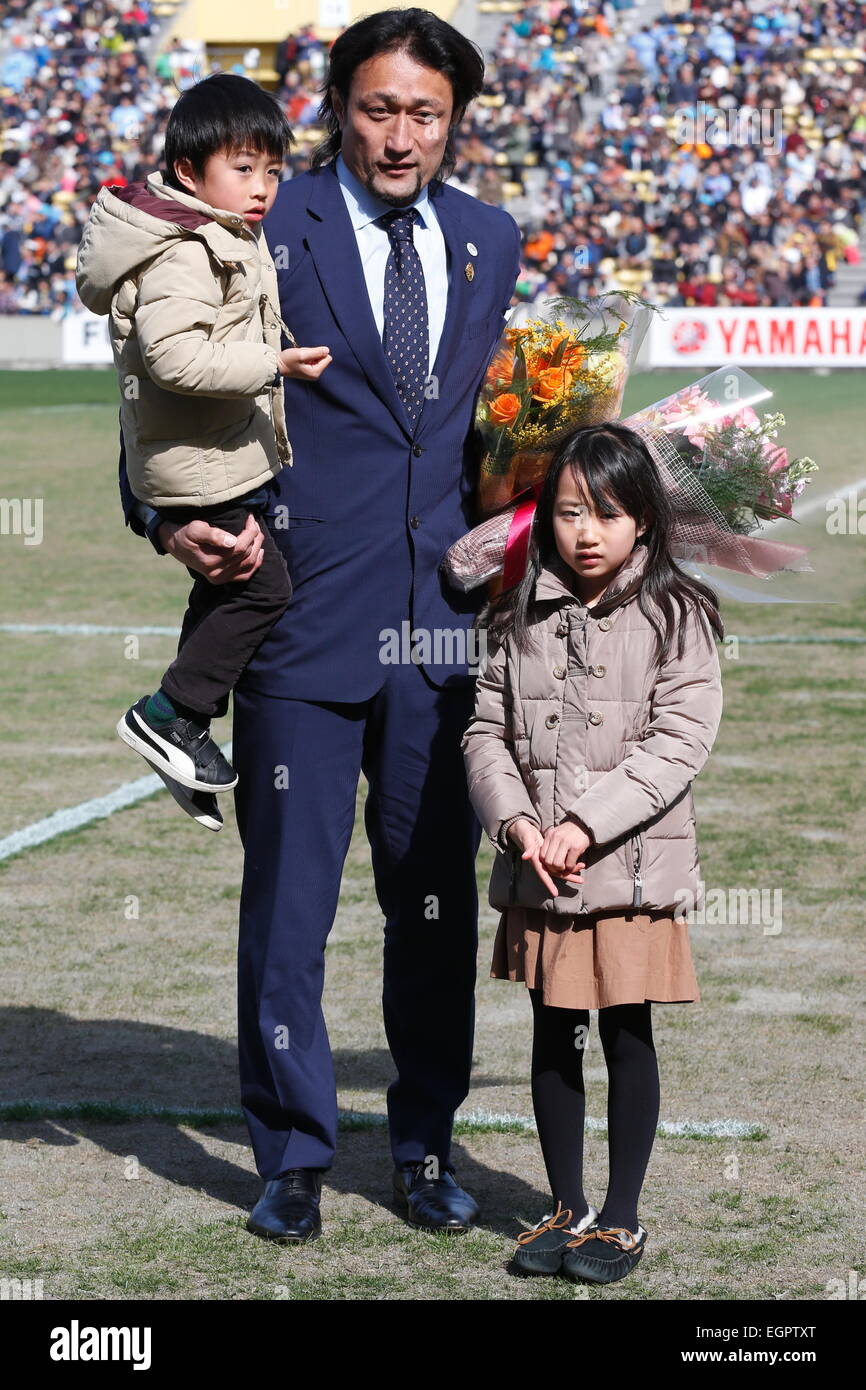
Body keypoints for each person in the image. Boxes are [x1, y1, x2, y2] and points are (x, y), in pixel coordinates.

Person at [118, 9, 522, 1240]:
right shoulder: (257, 221)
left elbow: (489, 426)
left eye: (427, 114)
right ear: (336, 106)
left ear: (455, 121)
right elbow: (151, 373)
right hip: (293, 614)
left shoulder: (487, 238)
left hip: (441, 629)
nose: (401, 137)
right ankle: (290, 1153)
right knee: (289, 908)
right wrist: (157, 512)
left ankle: (421, 1143)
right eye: (378, 108)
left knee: (432, 904)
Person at [461, 423, 724, 1285]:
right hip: (539, 867)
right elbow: (484, 734)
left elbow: (679, 742)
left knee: (627, 1034)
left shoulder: (677, 614)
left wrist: (584, 824)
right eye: (570, 511)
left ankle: (621, 1219)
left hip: (631, 872)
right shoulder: (515, 610)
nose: (586, 532)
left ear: (644, 521)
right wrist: (518, 826)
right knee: (551, 1032)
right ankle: (565, 1206)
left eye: (607, 514)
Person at [75, 73, 332, 822]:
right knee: (262, 586)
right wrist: (273, 365)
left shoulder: (214, 233)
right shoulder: (186, 250)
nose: (262, 188)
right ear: (190, 173)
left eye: (273, 172)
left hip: (204, 453)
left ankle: (182, 730)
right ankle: (168, 714)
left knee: (224, 587)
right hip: (198, 460)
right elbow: (175, 361)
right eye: (243, 169)